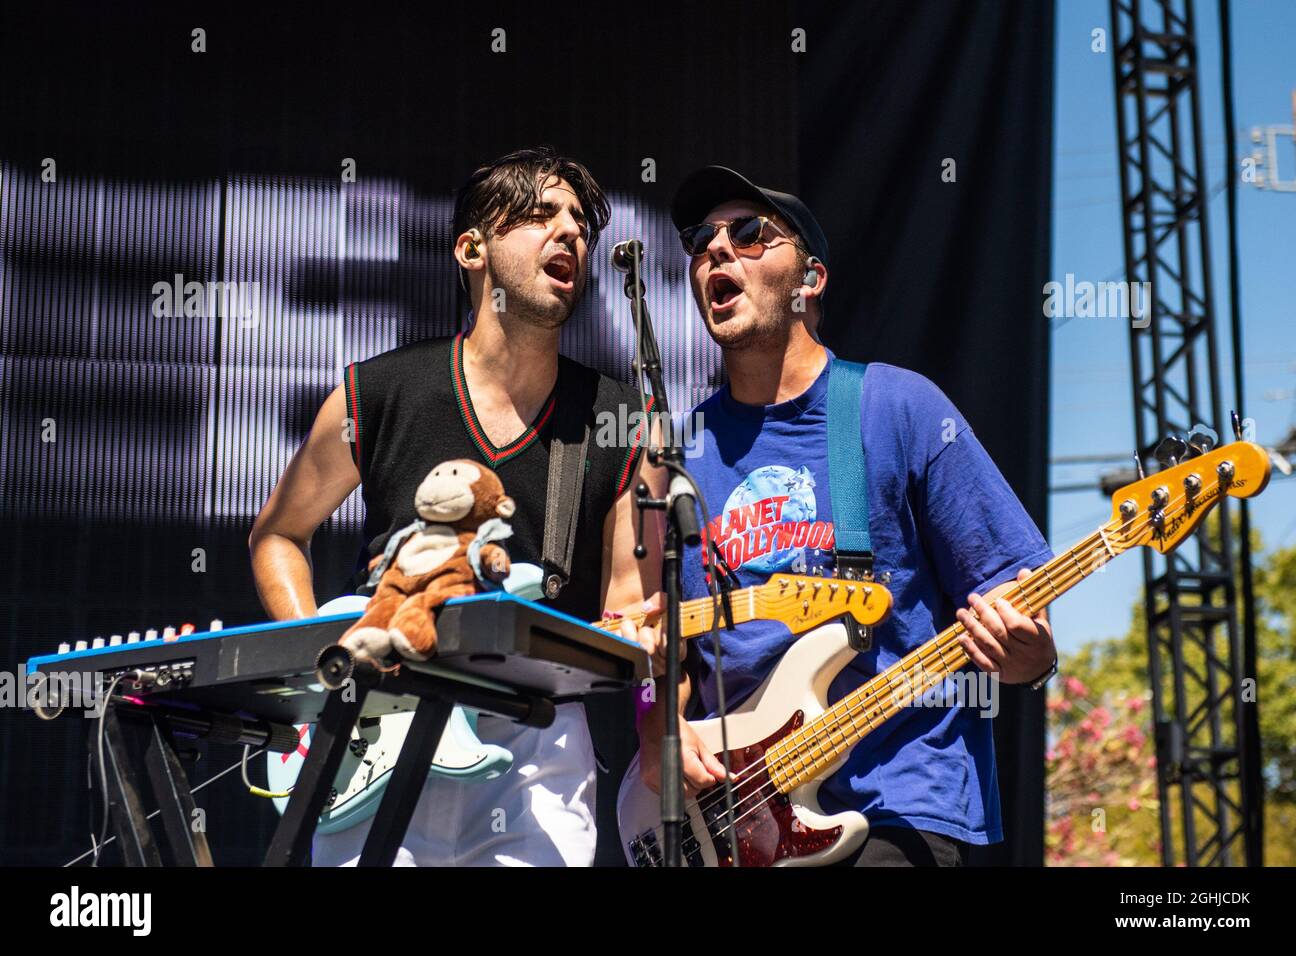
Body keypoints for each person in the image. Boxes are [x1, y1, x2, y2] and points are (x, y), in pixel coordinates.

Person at [631, 166, 1057, 866]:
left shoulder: (899, 407)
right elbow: (656, 639)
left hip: (899, 803)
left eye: (749, 233)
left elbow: (1012, 590)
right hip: (734, 819)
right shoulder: (678, 454)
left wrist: (1032, 657)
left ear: (811, 280)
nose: (717, 249)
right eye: (701, 241)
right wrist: (659, 733)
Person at [249, 146, 662, 866]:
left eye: (578, 221)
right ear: (472, 250)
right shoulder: (379, 392)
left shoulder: (624, 422)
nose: (569, 232)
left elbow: (627, 611)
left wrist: (639, 636)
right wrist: (322, 664)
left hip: (534, 744)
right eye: (539, 214)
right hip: (377, 726)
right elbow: (279, 536)